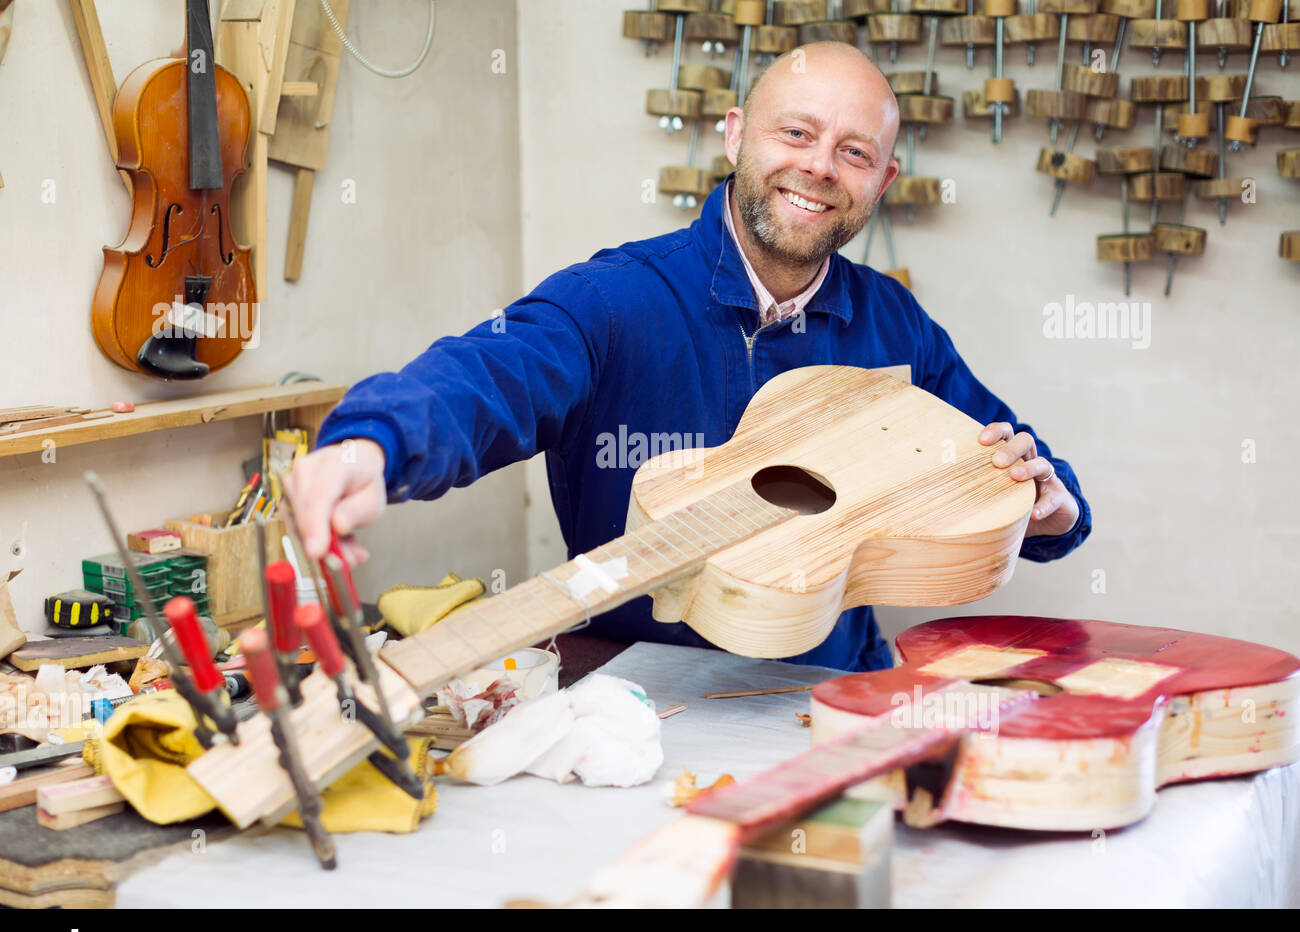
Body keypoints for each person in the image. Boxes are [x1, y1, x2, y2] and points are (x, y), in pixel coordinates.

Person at [288, 42, 1091, 673]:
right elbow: (489, 374)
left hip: (830, 696)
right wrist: (373, 442)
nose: (817, 166)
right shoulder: (616, 299)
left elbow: (1024, 475)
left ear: (883, 179)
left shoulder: (897, 325)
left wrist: (1049, 505)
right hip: (635, 697)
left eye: (853, 152)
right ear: (737, 133)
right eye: (796, 132)